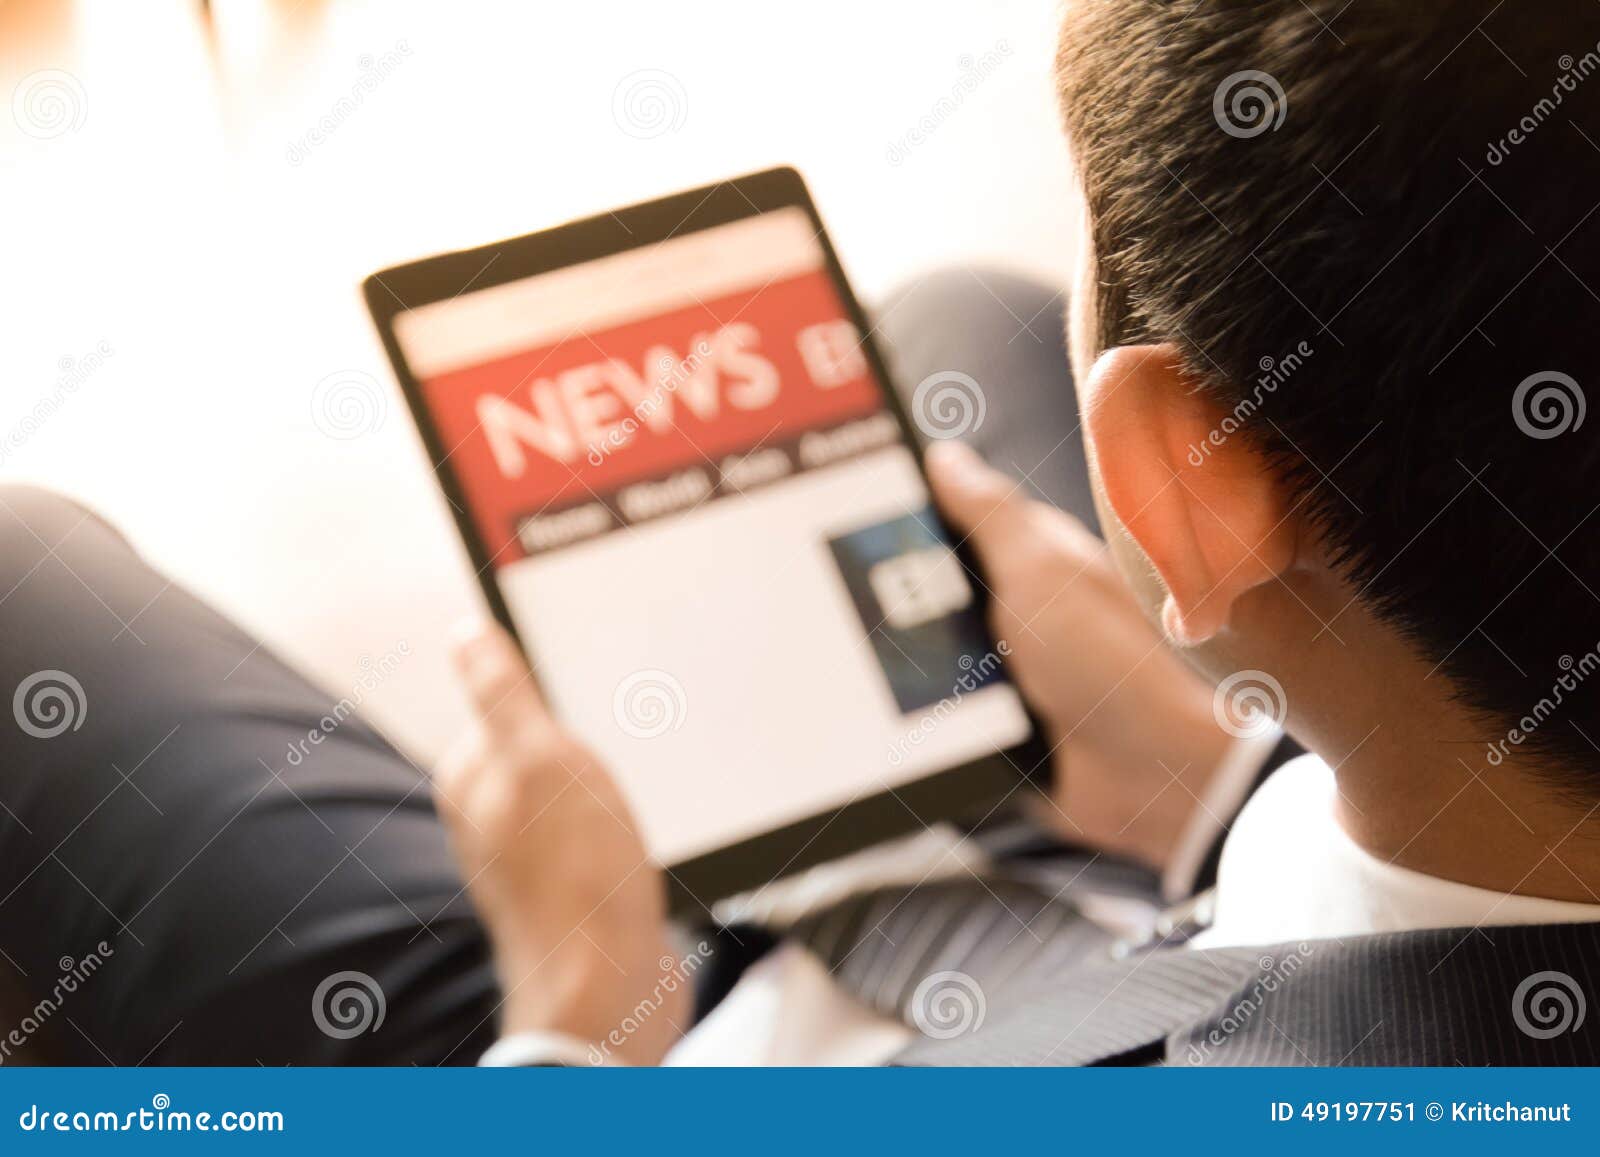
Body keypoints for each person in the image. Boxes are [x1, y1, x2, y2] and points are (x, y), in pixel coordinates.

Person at [2, 0, 1598, 1067]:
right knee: (954, 322)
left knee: (24, 580)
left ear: (1190, 487)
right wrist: (1206, 781)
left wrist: (570, 1018)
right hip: (1210, 883)